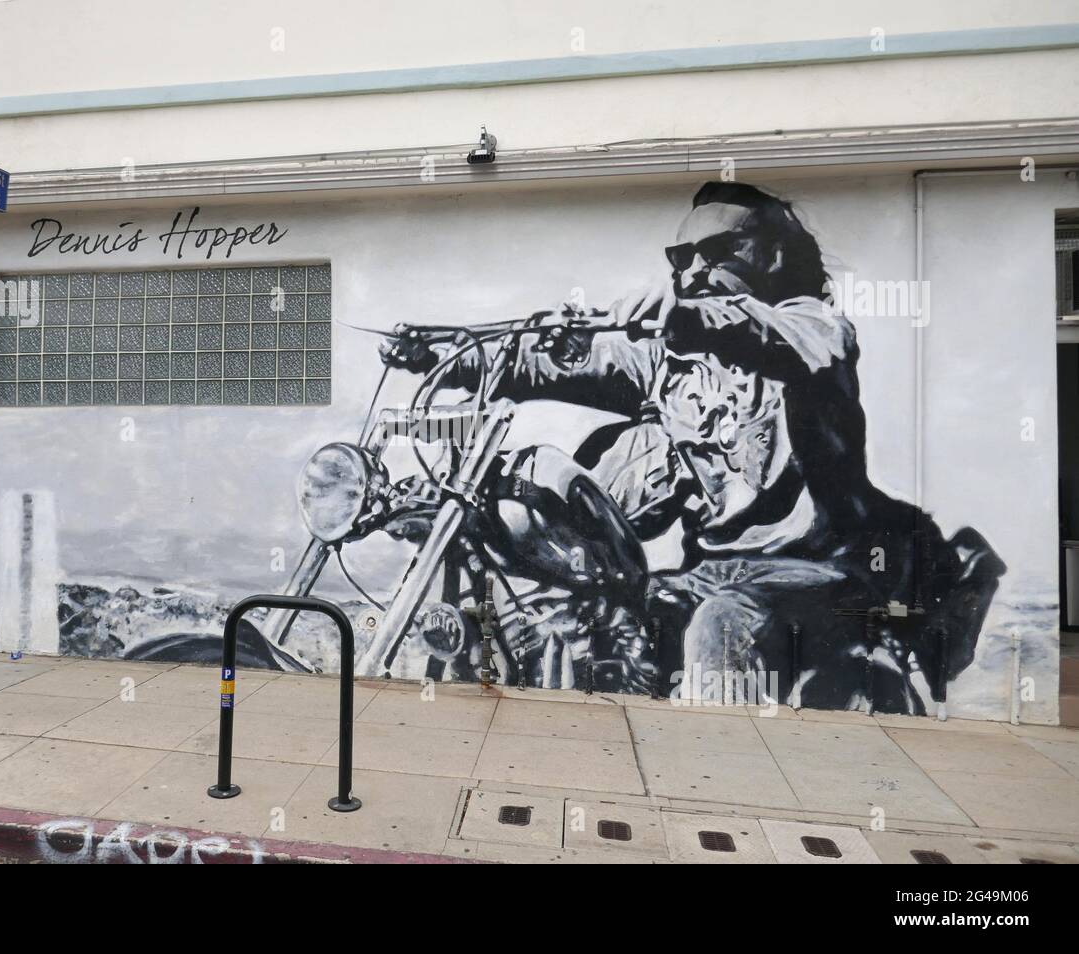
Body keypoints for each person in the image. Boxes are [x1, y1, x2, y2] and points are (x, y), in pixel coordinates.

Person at [380, 182, 1004, 712]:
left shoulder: (813, 328)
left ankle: (713, 792)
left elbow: (782, 338)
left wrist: (691, 318)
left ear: (777, 255)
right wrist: (449, 355)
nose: (697, 269)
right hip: (712, 569)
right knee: (587, 621)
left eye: (721, 250)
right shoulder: (667, 362)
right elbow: (549, 364)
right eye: (683, 255)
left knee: (721, 624)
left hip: (821, 572)